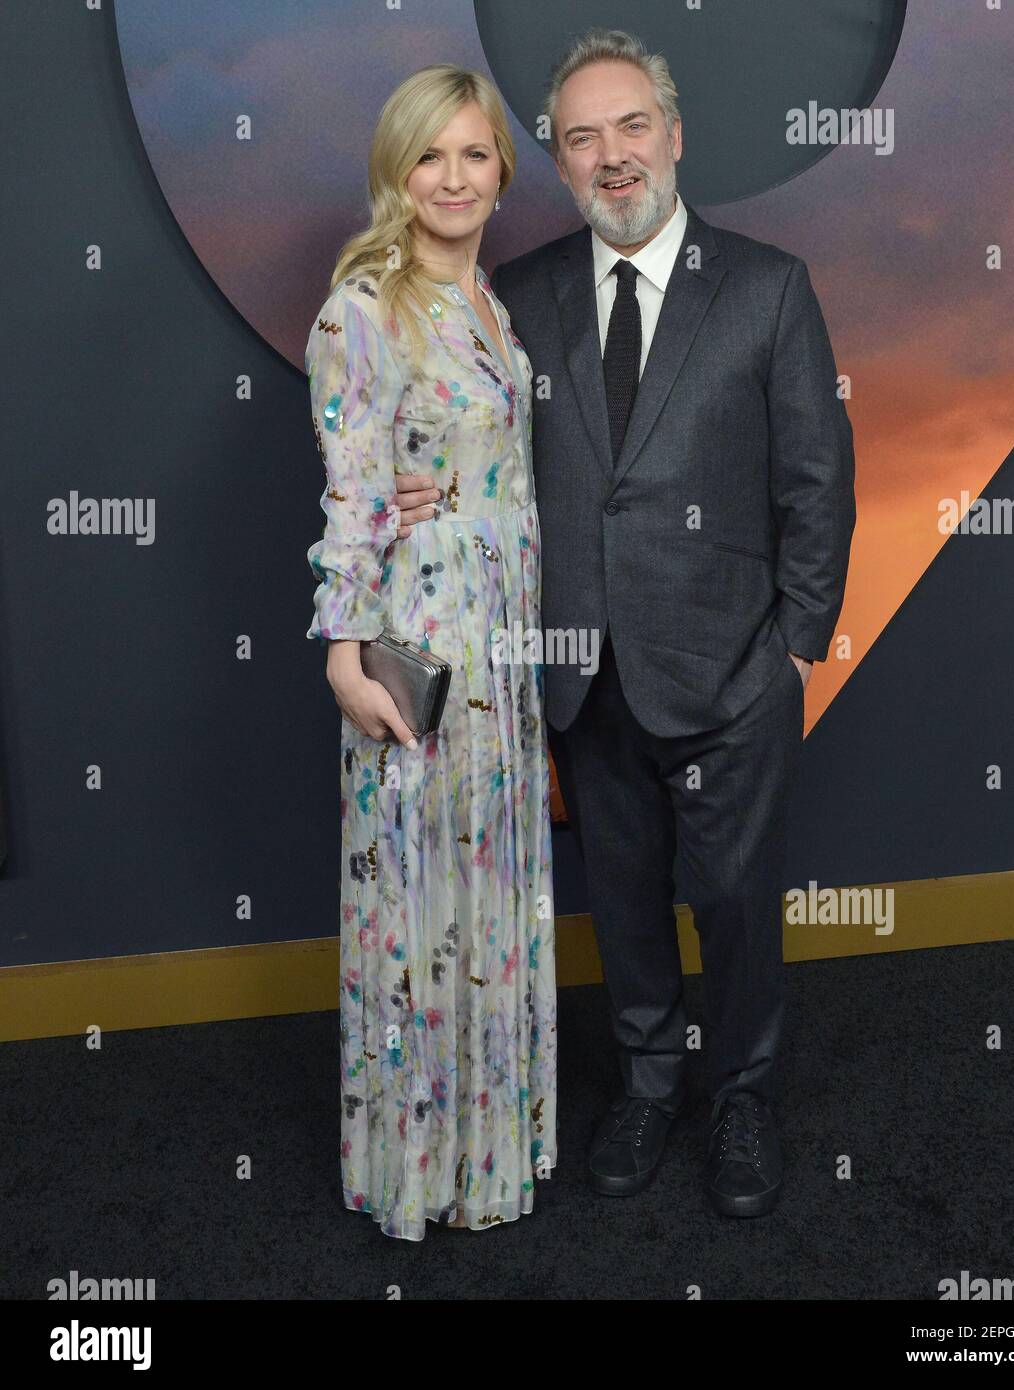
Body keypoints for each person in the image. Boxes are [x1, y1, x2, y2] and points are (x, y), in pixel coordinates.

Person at [395, 28, 855, 1217]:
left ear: (673, 134)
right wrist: (422, 482)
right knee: (623, 898)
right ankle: (649, 1082)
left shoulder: (765, 288)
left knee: (737, 907)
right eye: (580, 136)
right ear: (553, 160)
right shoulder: (521, 297)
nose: (609, 156)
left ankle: (741, 1096)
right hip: (578, 673)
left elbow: (817, 481)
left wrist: (791, 650)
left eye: (629, 126)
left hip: (731, 675)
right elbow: (477, 452)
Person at [304, 64, 557, 1241]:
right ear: (394, 174)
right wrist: (344, 656)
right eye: (428, 156)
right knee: (420, 896)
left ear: (503, 168)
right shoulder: (363, 307)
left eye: (473, 153)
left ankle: (491, 1146)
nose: (452, 177)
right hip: (423, 638)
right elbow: (353, 498)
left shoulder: (492, 306)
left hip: (501, 646)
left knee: (489, 885)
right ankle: (418, 1163)